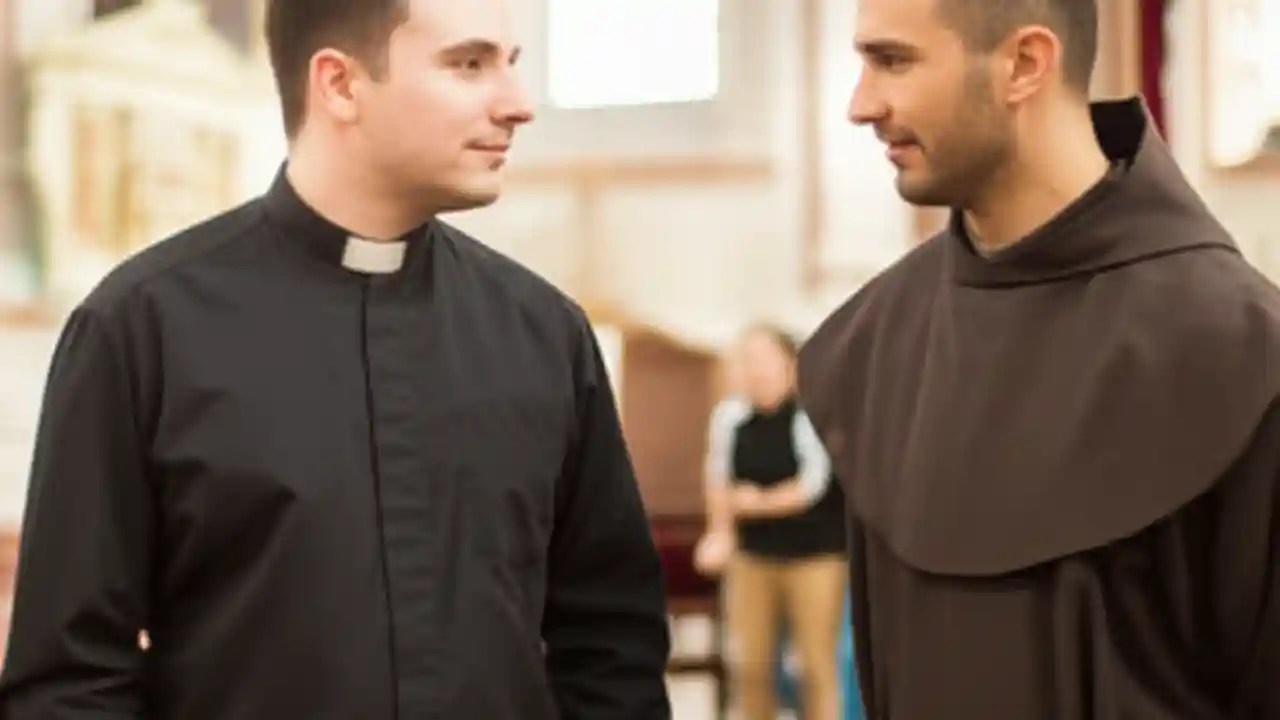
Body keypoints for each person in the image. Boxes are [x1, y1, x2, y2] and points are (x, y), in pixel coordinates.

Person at [0, 0, 671, 717]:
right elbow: (69, 679)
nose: (518, 105)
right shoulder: (141, 329)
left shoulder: (545, 335)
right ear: (340, 84)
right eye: (469, 64)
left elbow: (612, 650)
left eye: (511, 65)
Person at [797, 0, 1280, 718]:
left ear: (1024, 63)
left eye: (892, 61)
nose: (860, 105)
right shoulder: (874, 343)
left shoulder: (1237, 350)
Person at [694, 325, 846, 720]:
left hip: (816, 555)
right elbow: (717, 478)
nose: (755, 370)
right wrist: (719, 532)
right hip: (753, 555)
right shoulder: (729, 417)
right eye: (747, 360)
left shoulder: (812, 413)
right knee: (750, 664)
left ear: (790, 365)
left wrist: (753, 502)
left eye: (764, 359)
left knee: (815, 664)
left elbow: (811, 485)